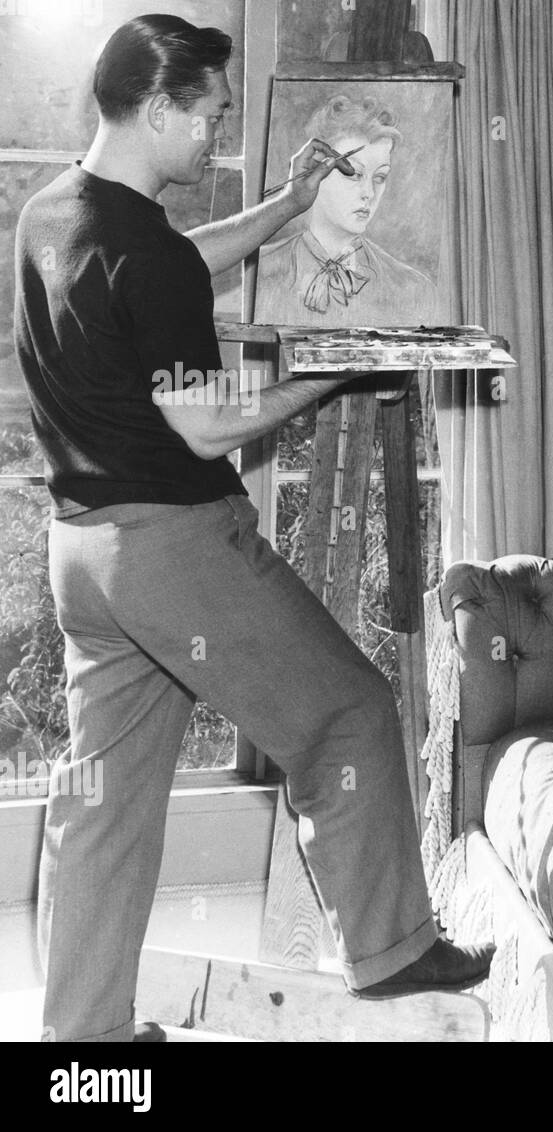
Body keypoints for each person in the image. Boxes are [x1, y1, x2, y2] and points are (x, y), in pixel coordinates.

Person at [13, 14, 491, 1043]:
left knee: (104, 803)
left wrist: (285, 206)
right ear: (158, 109)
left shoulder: (56, 213)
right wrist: (338, 367)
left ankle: (81, 1045)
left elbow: (174, 261)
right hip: (172, 548)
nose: (217, 137)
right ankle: (396, 951)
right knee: (349, 713)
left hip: (83, 555)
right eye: (210, 117)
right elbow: (207, 422)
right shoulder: (149, 256)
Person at [254, 92, 437, 327]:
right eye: (354, 174)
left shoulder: (412, 289)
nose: (369, 193)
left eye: (379, 177)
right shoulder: (261, 272)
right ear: (314, 171)